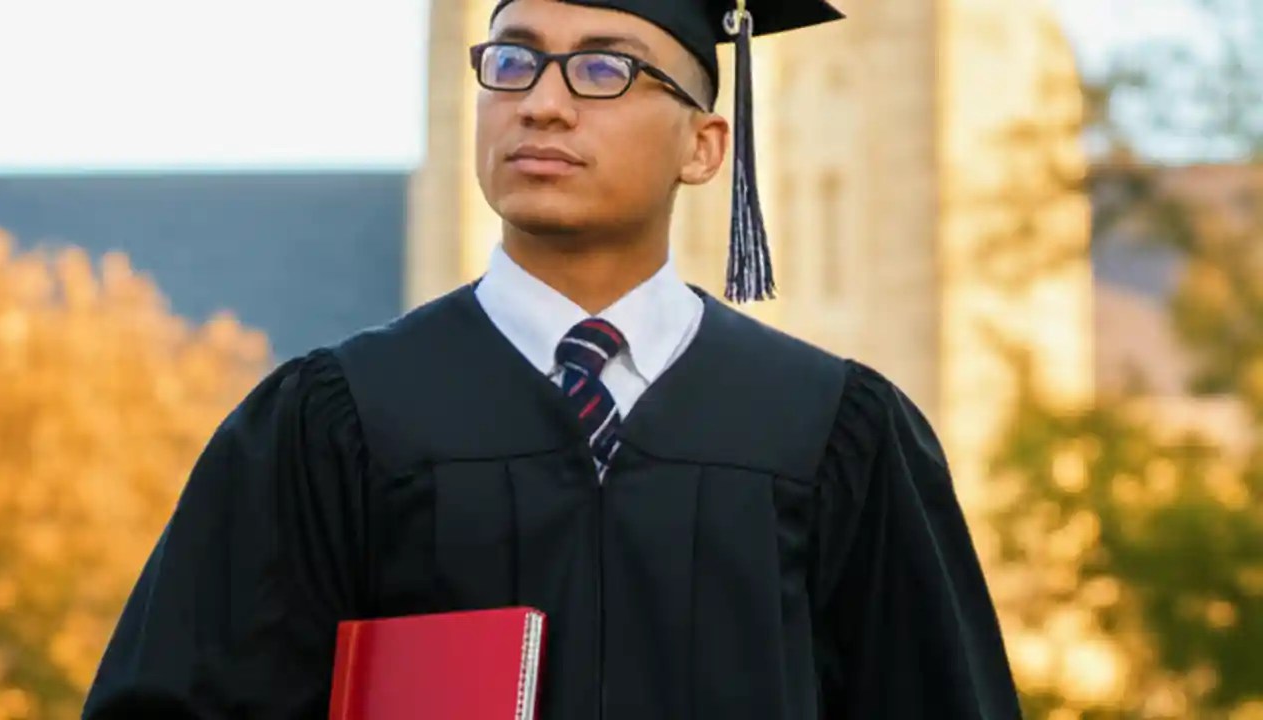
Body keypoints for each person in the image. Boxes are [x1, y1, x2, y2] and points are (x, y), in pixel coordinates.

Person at [84, 0, 1022, 717]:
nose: (541, 103)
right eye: (512, 61)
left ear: (704, 147)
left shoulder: (830, 431)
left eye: (605, 70)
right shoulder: (336, 419)